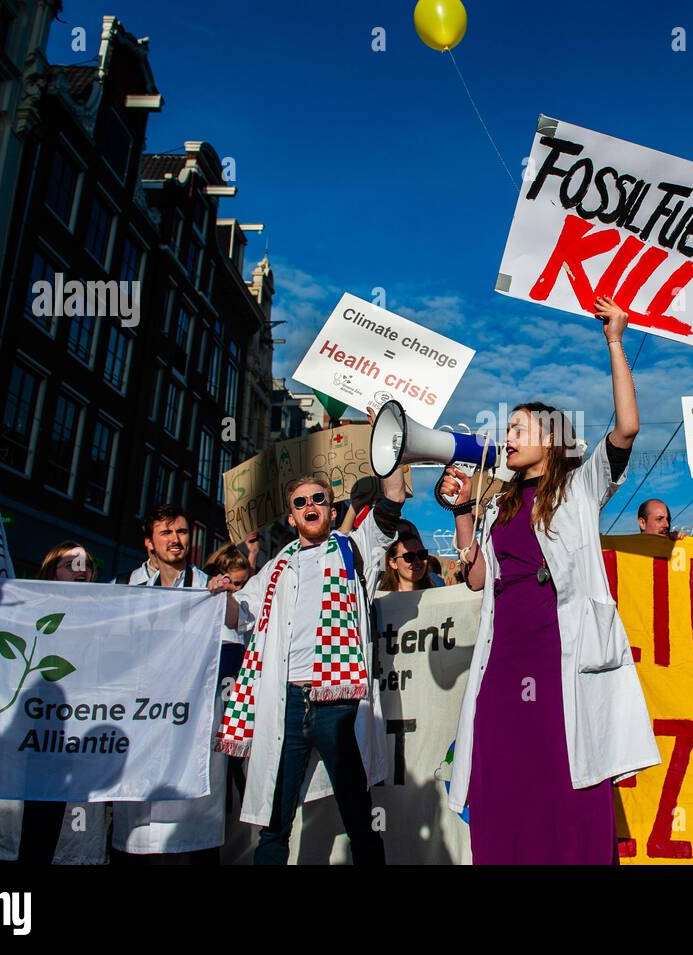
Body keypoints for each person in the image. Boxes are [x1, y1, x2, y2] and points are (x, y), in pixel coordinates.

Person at [440, 293, 659, 865]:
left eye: (519, 427)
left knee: (567, 786)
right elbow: (478, 578)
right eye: (507, 428)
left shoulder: (581, 489)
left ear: (553, 439)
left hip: (562, 666)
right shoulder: (497, 506)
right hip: (505, 667)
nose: (507, 436)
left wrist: (615, 339)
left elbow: (628, 428)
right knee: (503, 788)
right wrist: (462, 510)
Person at [220, 464, 406, 865]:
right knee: (274, 818)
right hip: (286, 702)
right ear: (291, 517)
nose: (310, 506)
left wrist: (391, 450)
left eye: (318, 499)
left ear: (331, 508)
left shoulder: (354, 548)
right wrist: (223, 596)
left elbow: (391, 502)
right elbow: (242, 616)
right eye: (300, 502)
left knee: (359, 814)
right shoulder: (275, 568)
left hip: (335, 702)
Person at [0, 541, 109, 865]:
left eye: (86, 564)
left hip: (71, 739)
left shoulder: (102, 617)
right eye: (70, 564)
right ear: (51, 570)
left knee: (56, 830)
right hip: (27, 738)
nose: (81, 570)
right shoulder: (25, 611)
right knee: (23, 830)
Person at [111, 505, 233, 864]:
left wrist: (225, 598)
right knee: (136, 821)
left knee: (195, 819)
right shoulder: (124, 588)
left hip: (191, 718)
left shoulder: (207, 590)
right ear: (149, 543)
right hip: (141, 717)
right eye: (166, 533)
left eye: (181, 532)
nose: (175, 540)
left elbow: (235, 631)